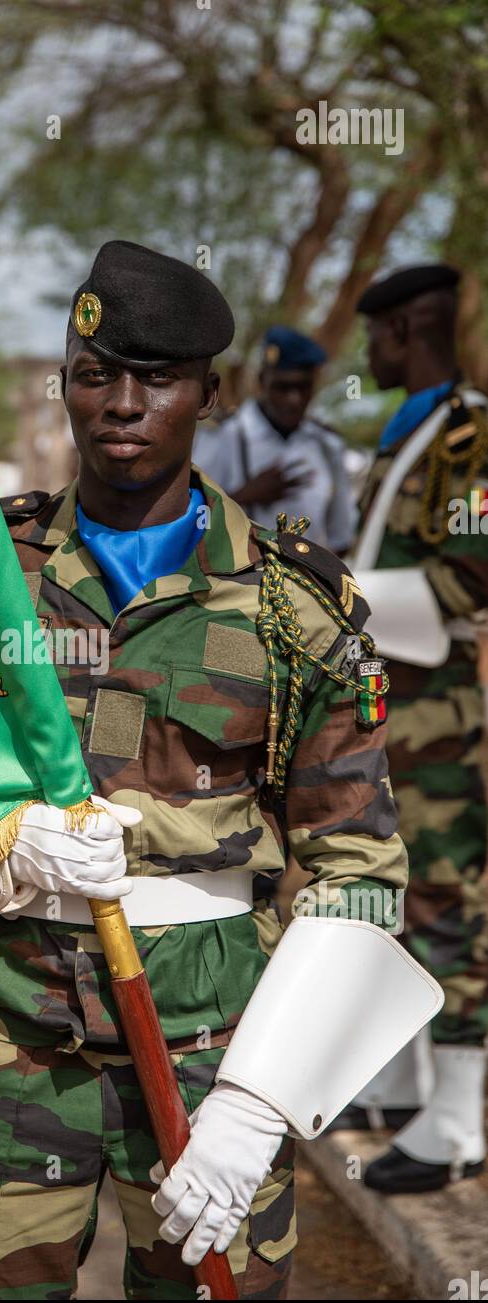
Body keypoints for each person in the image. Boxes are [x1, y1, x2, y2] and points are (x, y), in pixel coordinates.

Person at [0, 241, 434, 1300]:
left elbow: (359, 871)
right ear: (65, 383)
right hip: (10, 1044)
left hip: (212, 1056)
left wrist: (259, 1104)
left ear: (210, 392)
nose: (122, 403)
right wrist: (1, 846)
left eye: (158, 378)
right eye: (95, 373)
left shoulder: (295, 611)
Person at [330, 264, 488, 1194]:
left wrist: (338, 602)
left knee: (444, 900)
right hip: (392, 703)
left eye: (375, 338)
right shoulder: (418, 430)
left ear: (405, 331)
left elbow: (471, 579)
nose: (367, 356)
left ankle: (461, 1116)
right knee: (389, 894)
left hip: (437, 716)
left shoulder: (467, 437)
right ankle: (399, 1079)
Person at [196, 326, 356, 553]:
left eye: (303, 387)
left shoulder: (327, 445)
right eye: (283, 387)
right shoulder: (224, 438)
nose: (294, 399)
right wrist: (244, 496)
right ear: (263, 381)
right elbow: (191, 522)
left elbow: (341, 537)